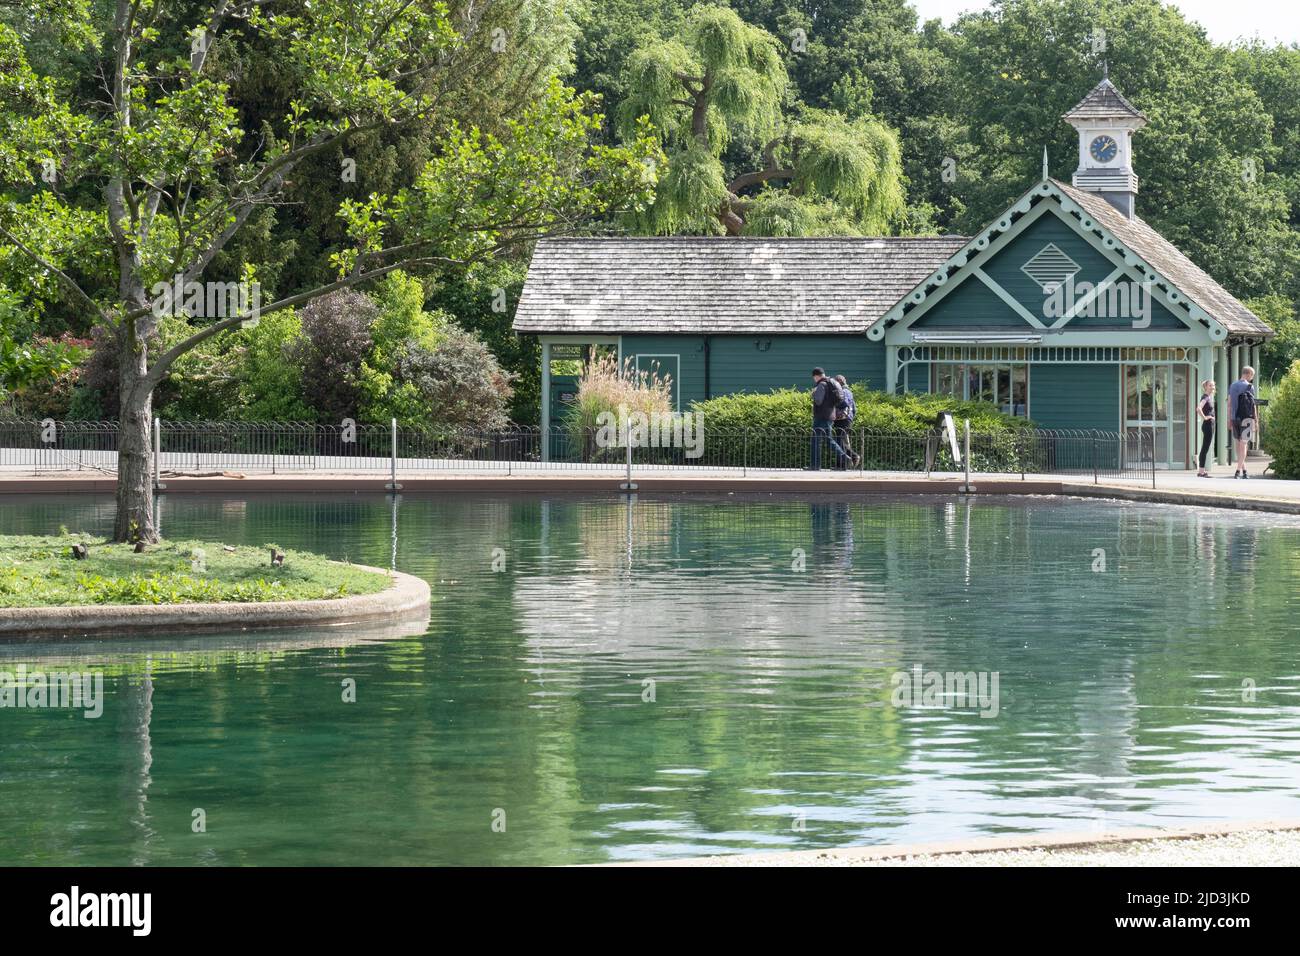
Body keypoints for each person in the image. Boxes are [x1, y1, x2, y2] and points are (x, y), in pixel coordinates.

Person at [809, 368, 850, 470]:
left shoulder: (821, 385)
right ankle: (845, 456)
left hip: (821, 417)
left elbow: (818, 401)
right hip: (830, 416)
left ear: (816, 376)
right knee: (828, 440)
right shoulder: (830, 383)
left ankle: (815, 466)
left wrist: (814, 394)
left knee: (815, 440)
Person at [1228, 366, 1259, 479]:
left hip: (1235, 418)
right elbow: (1252, 405)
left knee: (1238, 445)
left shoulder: (1232, 385)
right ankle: (1237, 471)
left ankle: (1244, 471)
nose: (1252, 378)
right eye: (1252, 376)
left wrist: (1229, 420)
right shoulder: (1250, 387)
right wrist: (1256, 420)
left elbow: (1229, 404)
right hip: (1247, 419)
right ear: (1249, 374)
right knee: (1244, 445)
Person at [833, 374, 861, 469]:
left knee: (840, 442)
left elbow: (843, 403)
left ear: (839, 382)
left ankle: (853, 457)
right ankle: (840, 465)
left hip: (842, 419)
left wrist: (834, 404)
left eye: (835, 383)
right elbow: (854, 408)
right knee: (841, 441)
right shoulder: (849, 391)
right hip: (846, 419)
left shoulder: (843, 391)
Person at [1196, 380, 1216, 477]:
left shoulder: (1209, 397)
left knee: (1206, 448)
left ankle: (1202, 471)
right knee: (1205, 448)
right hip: (1208, 425)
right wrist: (1205, 417)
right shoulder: (1205, 397)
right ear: (1206, 387)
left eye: (1213, 385)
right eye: (1210, 385)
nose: (1212, 387)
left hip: (1210, 425)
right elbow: (1198, 408)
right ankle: (1201, 471)